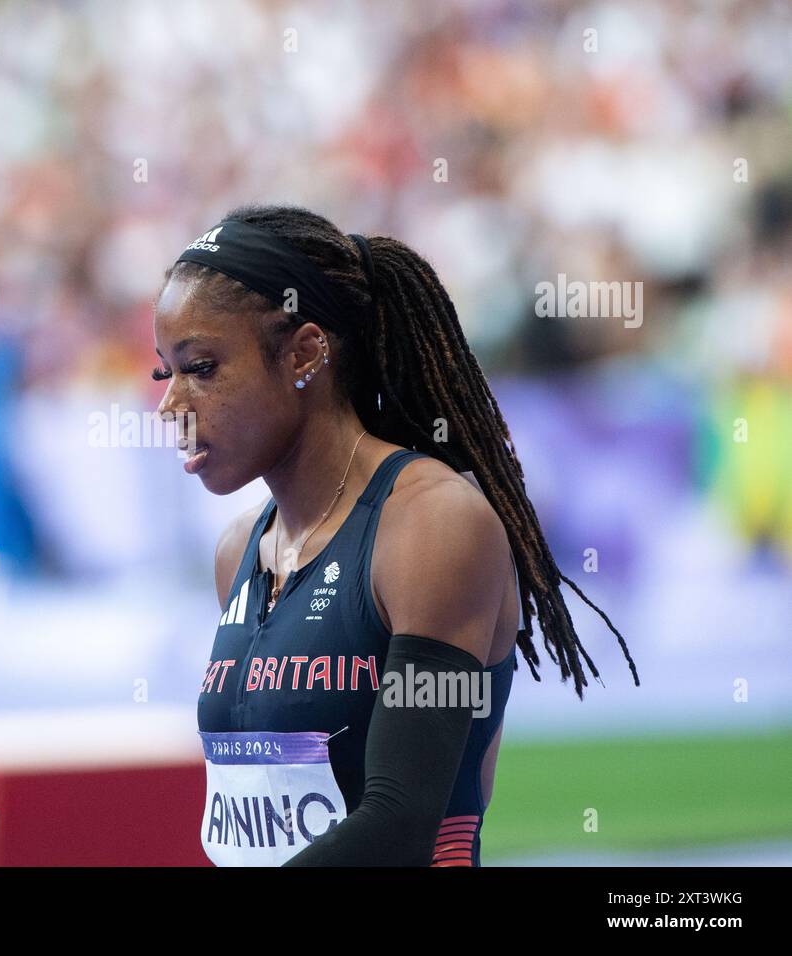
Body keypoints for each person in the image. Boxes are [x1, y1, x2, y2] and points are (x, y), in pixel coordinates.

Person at [152, 204, 640, 866]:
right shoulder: (238, 552)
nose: (170, 406)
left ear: (304, 353)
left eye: (201, 368)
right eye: (165, 372)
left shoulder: (433, 524)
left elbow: (399, 823)